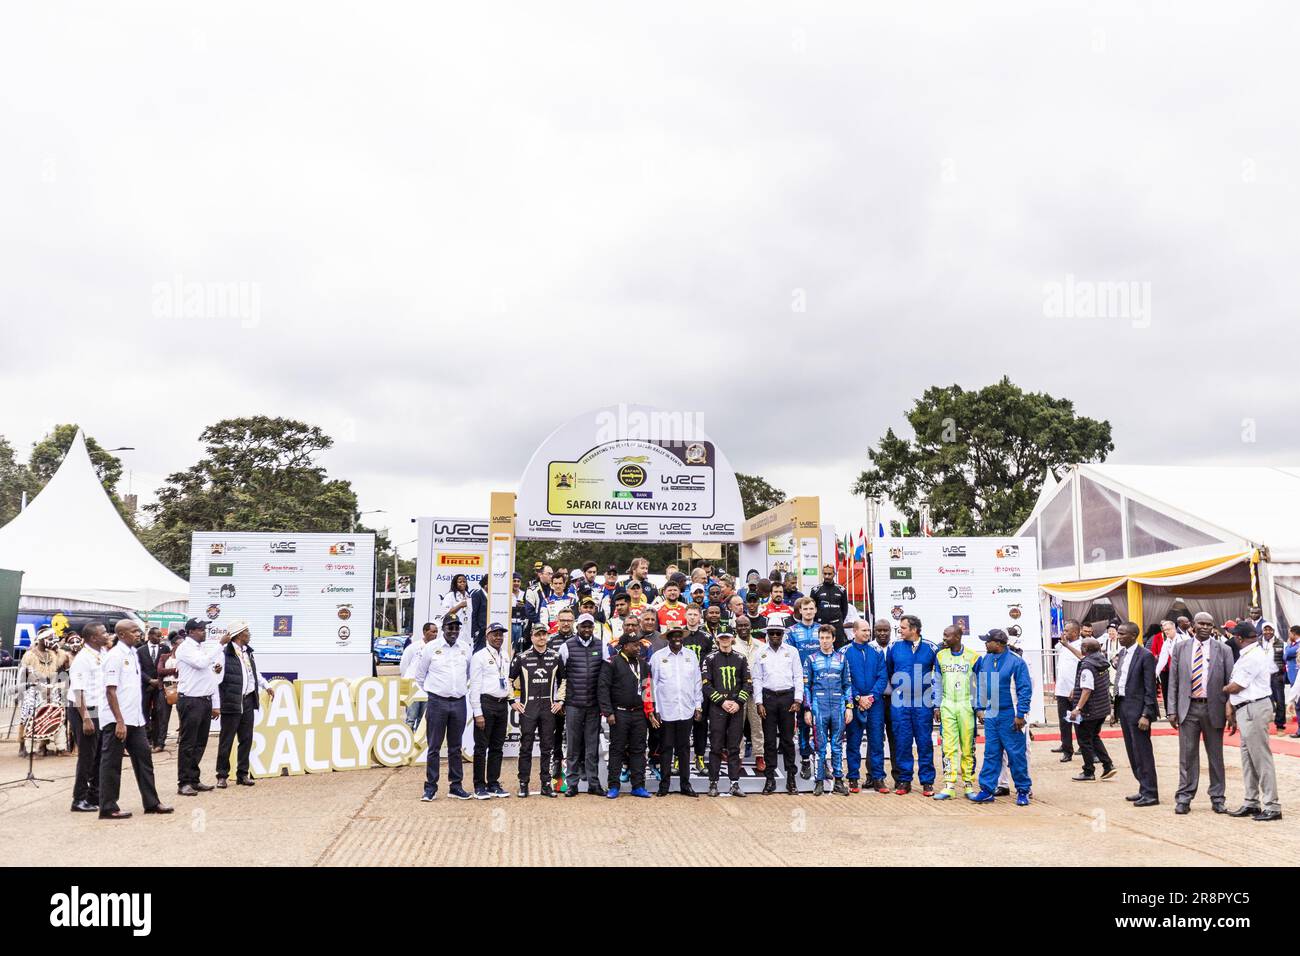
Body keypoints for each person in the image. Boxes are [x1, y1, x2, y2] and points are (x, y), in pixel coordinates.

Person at [96, 620, 173, 820]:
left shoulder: (132, 653)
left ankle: (151, 802)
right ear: (122, 634)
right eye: (134, 631)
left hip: (135, 719)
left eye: (138, 631)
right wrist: (119, 721)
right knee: (111, 764)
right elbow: (110, 691)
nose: (138, 634)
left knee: (144, 760)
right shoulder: (114, 656)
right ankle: (108, 807)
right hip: (117, 720)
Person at [1167, 612, 1230, 814]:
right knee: (1187, 755)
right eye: (1201, 623)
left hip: (1214, 708)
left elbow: (1229, 682)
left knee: (1216, 756)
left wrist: (1230, 708)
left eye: (1209, 624)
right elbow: (1173, 681)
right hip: (1188, 708)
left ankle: (1218, 797)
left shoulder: (1224, 650)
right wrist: (1171, 710)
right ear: (1193, 625)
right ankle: (1184, 797)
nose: (1205, 627)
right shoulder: (1180, 648)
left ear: (1213, 627)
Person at [1224, 621, 1282, 821]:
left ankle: (1272, 806)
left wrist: (1220, 690)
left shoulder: (1253, 656)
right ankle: (1251, 801)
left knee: (1260, 757)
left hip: (1253, 708)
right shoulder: (1249, 654)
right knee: (1248, 759)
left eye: (1234, 635)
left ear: (1239, 638)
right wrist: (1231, 703)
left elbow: (1237, 686)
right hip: (1246, 708)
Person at [968, 629, 1033, 806]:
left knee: (1016, 754)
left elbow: (1024, 689)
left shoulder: (1016, 662)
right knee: (991, 753)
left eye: (987, 641)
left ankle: (1023, 790)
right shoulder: (985, 660)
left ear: (998, 643)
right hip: (991, 714)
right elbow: (980, 684)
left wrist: (1021, 714)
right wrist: (980, 708)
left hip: (1010, 715)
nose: (985, 644)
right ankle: (987, 790)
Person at [413, 615, 473, 801]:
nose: (453, 631)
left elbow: (469, 674)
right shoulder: (431, 648)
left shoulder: (465, 648)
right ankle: (430, 787)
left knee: (455, 747)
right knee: (434, 747)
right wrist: (436, 692)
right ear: (443, 628)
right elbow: (420, 676)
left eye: (456, 628)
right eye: (450, 628)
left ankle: (456, 786)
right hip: (437, 702)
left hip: (459, 702)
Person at [216, 620, 274, 788]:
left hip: (248, 700)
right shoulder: (225, 653)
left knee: (246, 739)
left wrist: (267, 686)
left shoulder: (248, 652)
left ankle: (242, 774)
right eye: (247, 632)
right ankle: (222, 775)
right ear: (240, 635)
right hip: (232, 701)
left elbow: (253, 673)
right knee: (226, 740)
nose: (249, 634)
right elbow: (216, 673)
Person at [885, 614, 938, 796]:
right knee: (902, 741)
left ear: (914, 629)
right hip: (900, 702)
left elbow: (938, 675)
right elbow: (890, 671)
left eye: (903, 627)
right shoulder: (894, 647)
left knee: (924, 741)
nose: (900, 630)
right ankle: (904, 780)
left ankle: (927, 781)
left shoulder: (931, 648)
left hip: (923, 702)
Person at [174, 617, 226, 796]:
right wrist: (220, 645)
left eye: (204, 628)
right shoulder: (185, 648)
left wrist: (215, 703)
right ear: (190, 632)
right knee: (188, 743)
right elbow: (202, 663)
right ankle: (184, 782)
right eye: (200, 629)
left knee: (200, 742)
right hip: (190, 700)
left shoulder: (200, 648)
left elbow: (210, 675)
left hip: (204, 700)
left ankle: (194, 779)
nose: (204, 631)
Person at [511, 624, 564, 798]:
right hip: (529, 709)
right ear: (532, 637)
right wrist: (513, 701)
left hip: (548, 709)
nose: (541, 638)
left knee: (547, 747)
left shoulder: (556, 657)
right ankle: (523, 783)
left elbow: (564, 680)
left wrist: (560, 701)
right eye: (538, 635)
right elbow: (508, 680)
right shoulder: (522, 657)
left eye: (544, 634)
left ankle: (546, 784)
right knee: (525, 747)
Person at [649, 626, 702, 796]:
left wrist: (698, 706)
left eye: (679, 636)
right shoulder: (658, 657)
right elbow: (652, 684)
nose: (677, 639)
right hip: (665, 710)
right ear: (668, 638)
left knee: (684, 749)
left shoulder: (691, 656)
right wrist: (655, 708)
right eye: (673, 636)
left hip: (686, 709)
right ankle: (664, 786)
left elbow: (697, 682)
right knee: (666, 748)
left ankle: (685, 785)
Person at [1113, 621, 1160, 807]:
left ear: (1133, 636)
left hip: (1139, 709)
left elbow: (1150, 687)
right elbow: (1120, 681)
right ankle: (1143, 787)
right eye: (1118, 633)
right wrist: (1115, 710)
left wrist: (1146, 714)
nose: (1119, 636)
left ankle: (1151, 793)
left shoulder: (1145, 656)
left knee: (1143, 752)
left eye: (1122, 634)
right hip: (1124, 706)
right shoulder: (1123, 654)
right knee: (1132, 751)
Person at [599, 631, 652, 798]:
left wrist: (648, 711)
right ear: (625, 646)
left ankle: (638, 786)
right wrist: (608, 712)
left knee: (639, 749)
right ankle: (614, 786)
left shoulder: (643, 664)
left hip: (638, 714)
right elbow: (603, 688)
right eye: (635, 645)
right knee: (617, 750)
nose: (639, 648)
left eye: (640, 645)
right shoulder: (612, 663)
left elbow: (646, 688)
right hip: (619, 713)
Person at [753, 622, 803, 794]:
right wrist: (759, 702)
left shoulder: (792, 651)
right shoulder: (760, 652)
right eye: (772, 633)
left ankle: (791, 778)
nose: (775, 636)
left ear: (783, 634)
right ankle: (770, 778)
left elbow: (798, 676)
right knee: (769, 741)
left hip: (788, 698)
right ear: (767, 634)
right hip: (768, 698)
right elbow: (757, 679)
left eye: (778, 633)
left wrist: (798, 699)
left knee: (788, 740)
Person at [559, 612, 605, 796]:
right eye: (583, 626)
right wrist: (561, 700)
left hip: (593, 705)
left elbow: (605, 675)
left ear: (593, 628)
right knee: (573, 745)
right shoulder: (566, 646)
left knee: (592, 746)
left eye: (589, 626)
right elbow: (561, 676)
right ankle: (572, 784)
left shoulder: (602, 646)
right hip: (573, 704)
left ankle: (594, 783)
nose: (586, 629)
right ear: (577, 627)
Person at [702, 629, 753, 797]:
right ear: (717, 639)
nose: (724, 640)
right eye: (722, 638)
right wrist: (722, 702)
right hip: (718, 707)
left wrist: (738, 703)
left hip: (736, 708)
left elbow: (748, 683)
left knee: (734, 747)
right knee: (716, 746)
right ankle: (713, 783)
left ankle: (734, 783)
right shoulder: (710, 658)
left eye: (727, 638)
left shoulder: (741, 658)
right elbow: (706, 685)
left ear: (732, 639)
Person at [802, 624, 850, 796]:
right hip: (818, 706)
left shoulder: (842, 659)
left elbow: (847, 685)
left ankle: (838, 781)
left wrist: (849, 707)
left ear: (833, 639)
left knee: (837, 746)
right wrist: (807, 709)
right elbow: (806, 686)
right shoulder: (811, 659)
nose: (824, 641)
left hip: (838, 706)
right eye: (821, 638)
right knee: (819, 746)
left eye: (827, 638)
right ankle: (819, 782)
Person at [933, 624, 981, 799]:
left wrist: (979, 707)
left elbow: (980, 684)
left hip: (966, 706)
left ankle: (968, 784)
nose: (944, 638)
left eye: (947, 636)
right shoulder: (940, 656)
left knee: (968, 747)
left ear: (958, 637)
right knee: (948, 747)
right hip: (947, 705)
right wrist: (937, 705)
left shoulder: (973, 657)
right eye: (944, 635)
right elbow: (937, 682)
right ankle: (949, 785)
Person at [843, 619, 887, 794]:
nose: (868, 634)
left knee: (876, 742)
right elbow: (844, 679)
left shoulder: (877, 652)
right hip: (854, 703)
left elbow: (882, 676)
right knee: (853, 742)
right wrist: (858, 697)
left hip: (874, 704)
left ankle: (878, 778)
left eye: (869, 630)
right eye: (864, 631)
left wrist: (871, 697)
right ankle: (853, 778)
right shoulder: (845, 652)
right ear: (854, 632)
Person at [468, 622, 512, 799]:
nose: (498, 637)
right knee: (481, 747)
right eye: (495, 634)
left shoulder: (505, 655)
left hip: (502, 704)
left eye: (501, 634)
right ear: (487, 636)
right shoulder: (479, 656)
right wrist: (478, 712)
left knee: (497, 747)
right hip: (486, 703)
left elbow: (506, 680)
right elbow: (475, 686)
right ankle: (479, 785)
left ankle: (493, 783)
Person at [67, 622, 108, 812]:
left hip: (98, 707)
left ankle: (94, 796)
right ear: (93, 638)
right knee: (87, 755)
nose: (107, 635)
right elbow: (78, 691)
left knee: (99, 753)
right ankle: (79, 799)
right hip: (84, 708)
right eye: (103, 633)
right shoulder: (83, 658)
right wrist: (86, 718)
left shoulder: (102, 653)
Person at [1067, 637, 1117, 782]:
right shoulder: (1100, 660)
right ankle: (1108, 765)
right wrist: (1066, 645)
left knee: (1084, 741)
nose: (1081, 648)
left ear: (1086, 649)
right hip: (1102, 708)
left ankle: (1089, 771)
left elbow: (1087, 689)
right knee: (1094, 737)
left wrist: (1077, 708)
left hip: (1089, 710)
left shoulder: (1087, 666)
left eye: (1082, 646)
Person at [786, 597, 822, 779]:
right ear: (799, 611)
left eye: (811, 608)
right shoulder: (791, 632)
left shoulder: (821, 630)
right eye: (805, 609)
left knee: (822, 723)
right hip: (800, 684)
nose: (808, 612)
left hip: (821, 684)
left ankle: (822, 761)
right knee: (803, 724)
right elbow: (788, 659)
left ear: (816, 610)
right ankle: (805, 760)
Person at [681, 606, 714, 775]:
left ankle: (700, 757)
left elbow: (711, 661)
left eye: (695, 615)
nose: (692, 618)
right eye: (690, 614)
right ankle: (679, 758)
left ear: (700, 617)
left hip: (702, 686)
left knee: (700, 724)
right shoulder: (679, 635)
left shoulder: (707, 637)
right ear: (685, 615)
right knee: (682, 723)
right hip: (683, 685)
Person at [732, 615, 766, 773]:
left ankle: (759, 755)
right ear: (736, 627)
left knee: (757, 724)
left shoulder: (760, 645)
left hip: (756, 690)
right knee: (737, 725)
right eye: (740, 626)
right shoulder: (731, 644)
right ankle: (738, 756)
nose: (743, 628)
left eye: (746, 625)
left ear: (751, 626)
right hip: (738, 691)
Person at [1051, 620, 1083, 762]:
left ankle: (1084, 747)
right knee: (1063, 722)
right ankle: (1066, 748)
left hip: (1074, 691)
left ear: (1075, 632)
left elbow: (1082, 665)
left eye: (1067, 630)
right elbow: (1062, 669)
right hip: (1062, 690)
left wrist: (1076, 689)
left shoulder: (1082, 645)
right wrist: (1057, 688)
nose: (1064, 632)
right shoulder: (1063, 645)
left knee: (1078, 721)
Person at [402, 622, 436, 730]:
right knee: (411, 719)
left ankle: (418, 745)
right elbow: (404, 665)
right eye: (433, 631)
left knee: (423, 720)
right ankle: (409, 743)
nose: (435, 634)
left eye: (437, 632)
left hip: (427, 689)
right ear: (425, 632)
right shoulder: (413, 647)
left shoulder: (436, 648)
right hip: (413, 687)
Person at [138, 627, 166, 748]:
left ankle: (158, 741)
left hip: (160, 687)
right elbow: (138, 669)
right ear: (149, 636)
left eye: (161, 636)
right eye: (157, 636)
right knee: (144, 712)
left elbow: (165, 666)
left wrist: (158, 681)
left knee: (159, 713)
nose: (160, 638)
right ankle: (146, 739)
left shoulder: (165, 649)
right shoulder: (140, 650)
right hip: (145, 687)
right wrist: (149, 680)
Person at [811, 564, 849, 645]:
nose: (827, 576)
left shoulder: (841, 590)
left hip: (837, 627)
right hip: (821, 625)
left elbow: (844, 609)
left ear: (834, 574)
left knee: (838, 649)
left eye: (829, 574)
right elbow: (812, 609)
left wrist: (839, 621)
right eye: (825, 574)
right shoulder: (815, 590)